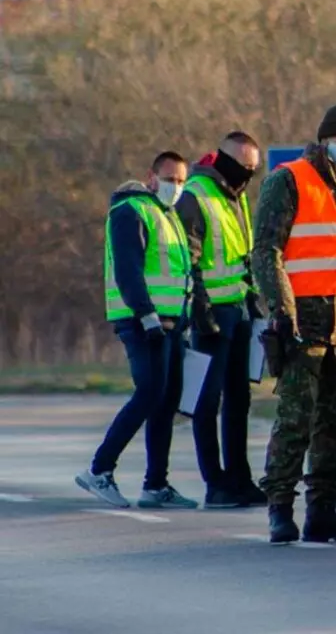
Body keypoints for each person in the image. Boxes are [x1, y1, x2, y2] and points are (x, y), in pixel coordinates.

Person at [251, 102, 336, 544]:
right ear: (323, 139)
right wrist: (282, 308)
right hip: (301, 322)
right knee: (295, 419)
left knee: (335, 424)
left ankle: (323, 512)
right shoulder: (288, 180)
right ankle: (279, 509)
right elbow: (266, 250)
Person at [76, 151, 200, 510]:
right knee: (148, 393)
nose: (175, 187)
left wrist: (184, 319)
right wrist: (146, 315)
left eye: (180, 181)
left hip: (172, 323)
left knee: (165, 400)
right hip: (143, 321)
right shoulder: (130, 211)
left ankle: (156, 485)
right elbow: (128, 270)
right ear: (151, 177)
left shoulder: (168, 216)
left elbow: (180, 273)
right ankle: (99, 470)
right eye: (169, 179)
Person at [177, 131, 268, 509]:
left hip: (239, 311)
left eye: (252, 169)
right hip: (213, 315)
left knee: (239, 400)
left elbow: (240, 257)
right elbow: (190, 261)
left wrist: (253, 301)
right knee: (207, 401)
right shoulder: (197, 195)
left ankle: (240, 479)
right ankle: (215, 484)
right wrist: (202, 314)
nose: (246, 174)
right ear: (221, 158)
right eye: (241, 165)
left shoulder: (237, 197)